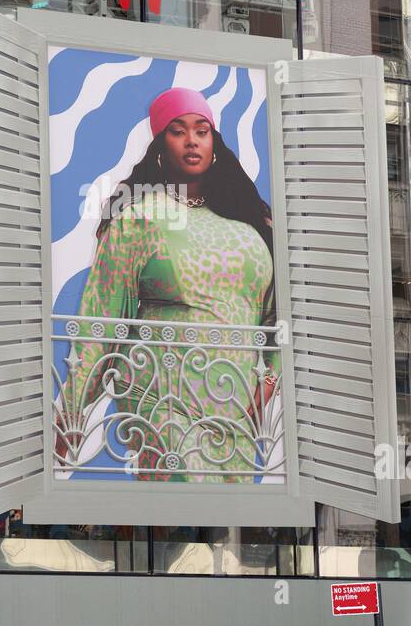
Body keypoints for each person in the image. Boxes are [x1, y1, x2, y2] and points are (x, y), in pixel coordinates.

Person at [56, 87, 279, 483]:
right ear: (160, 144)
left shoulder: (251, 225)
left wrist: (265, 389)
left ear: (214, 143)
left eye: (201, 130)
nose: (192, 140)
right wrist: (67, 422)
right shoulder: (139, 218)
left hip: (236, 413)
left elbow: (279, 320)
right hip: (165, 403)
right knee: (183, 509)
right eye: (178, 131)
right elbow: (100, 323)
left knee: (227, 535)